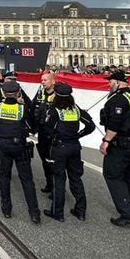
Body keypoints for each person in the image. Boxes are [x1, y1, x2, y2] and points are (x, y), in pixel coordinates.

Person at [99, 70, 130, 227]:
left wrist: (106, 141)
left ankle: (128, 214)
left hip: (122, 144)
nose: (109, 84)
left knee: (113, 176)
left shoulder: (118, 99)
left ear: (117, 83)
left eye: (110, 82)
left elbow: (115, 123)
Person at [42, 82, 96, 222]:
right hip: (74, 146)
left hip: (59, 147)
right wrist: (78, 135)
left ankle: (57, 212)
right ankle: (80, 211)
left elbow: (47, 130)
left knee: (59, 179)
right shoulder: (76, 109)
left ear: (56, 95)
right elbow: (91, 126)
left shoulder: (54, 110)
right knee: (76, 178)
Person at [0, 81, 41, 223]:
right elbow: (32, 127)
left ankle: (6, 209)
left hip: (3, 144)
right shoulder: (22, 108)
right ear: (17, 93)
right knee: (27, 180)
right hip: (19, 146)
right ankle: (34, 213)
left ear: (4, 93)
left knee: (4, 177)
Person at [32, 71, 57, 195]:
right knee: (44, 159)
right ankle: (49, 183)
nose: (42, 82)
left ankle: (57, 188)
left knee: (53, 161)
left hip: (53, 133)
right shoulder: (40, 95)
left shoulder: (58, 96)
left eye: (45, 80)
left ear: (53, 81)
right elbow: (33, 109)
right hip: (42, 131)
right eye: (41, 80)